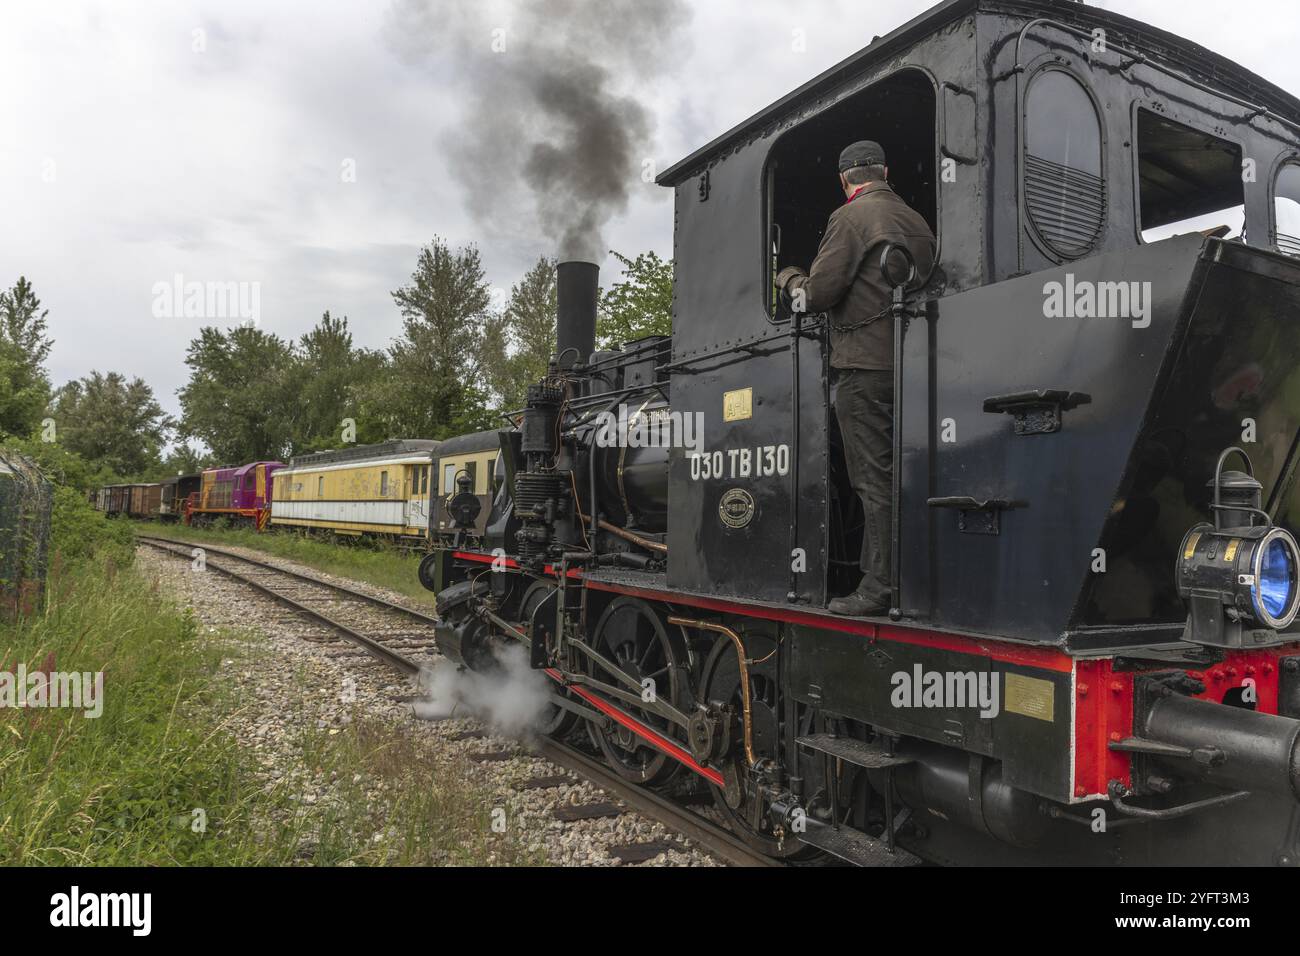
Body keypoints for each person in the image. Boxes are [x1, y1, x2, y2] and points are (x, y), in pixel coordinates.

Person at [776, 140, 935, 617]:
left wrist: (788, 278)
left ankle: (880, 586)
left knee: (872, 480)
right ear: (885, 171)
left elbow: (819, 295)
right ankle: (899, 577)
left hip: (863, 368)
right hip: (911, 366)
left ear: (844, 180)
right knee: (894, 477)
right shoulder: (918, 222)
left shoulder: (849, 217)